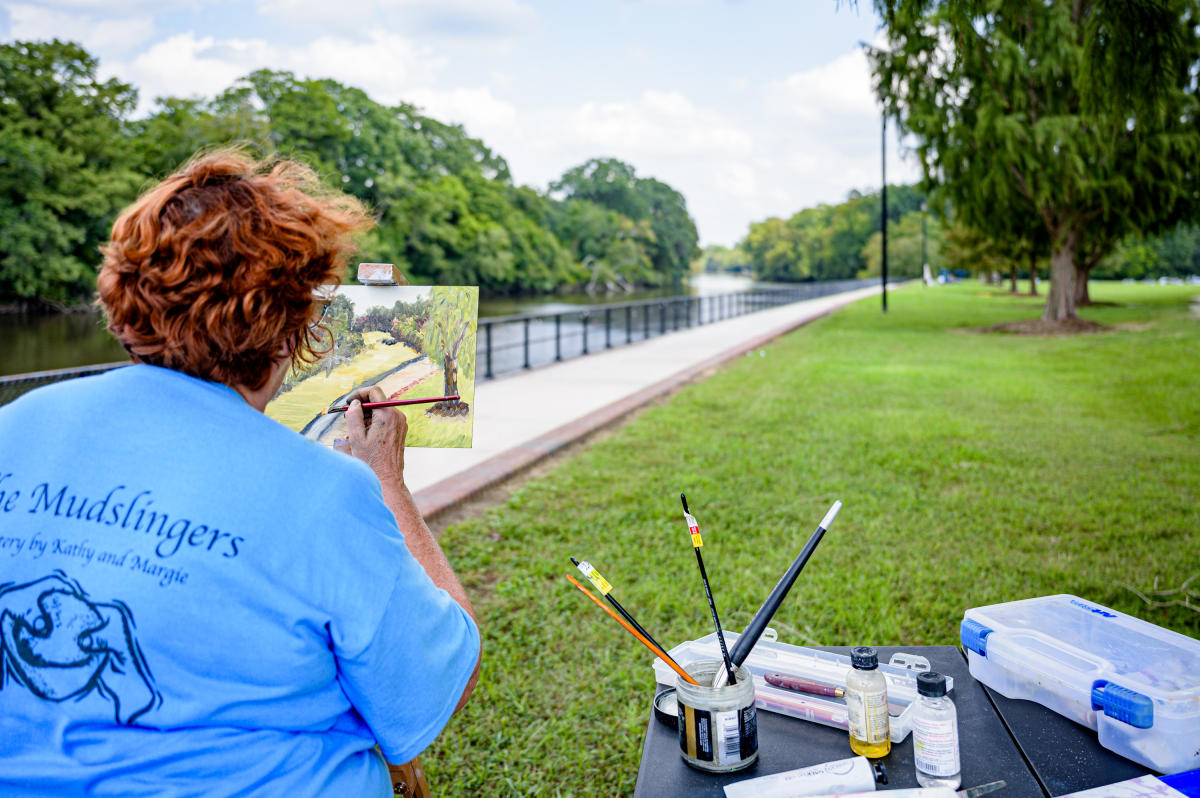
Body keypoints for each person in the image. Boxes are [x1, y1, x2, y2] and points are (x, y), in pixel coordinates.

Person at [0, 150, 480, 796]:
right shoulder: (327, 493)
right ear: (289, 330)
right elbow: (437, 688)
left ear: (122, 297)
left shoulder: (16, 427)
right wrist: (387, 483)